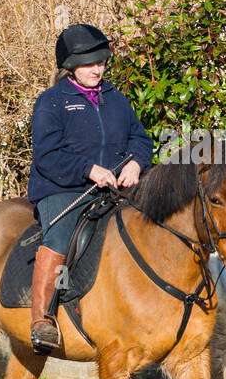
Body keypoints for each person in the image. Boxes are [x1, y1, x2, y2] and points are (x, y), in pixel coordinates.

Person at [28, 23, 154, 355]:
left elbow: (140, 140)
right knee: (61, 232)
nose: (97, 69)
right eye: (88, 64)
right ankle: (42, 318)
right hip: (62, 188)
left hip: (113, 189)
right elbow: (47, 155)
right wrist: (88, 170)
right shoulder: (52, 102)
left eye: (101, 62)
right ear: (70, 67)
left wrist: (136, 163)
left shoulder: (116, 100)